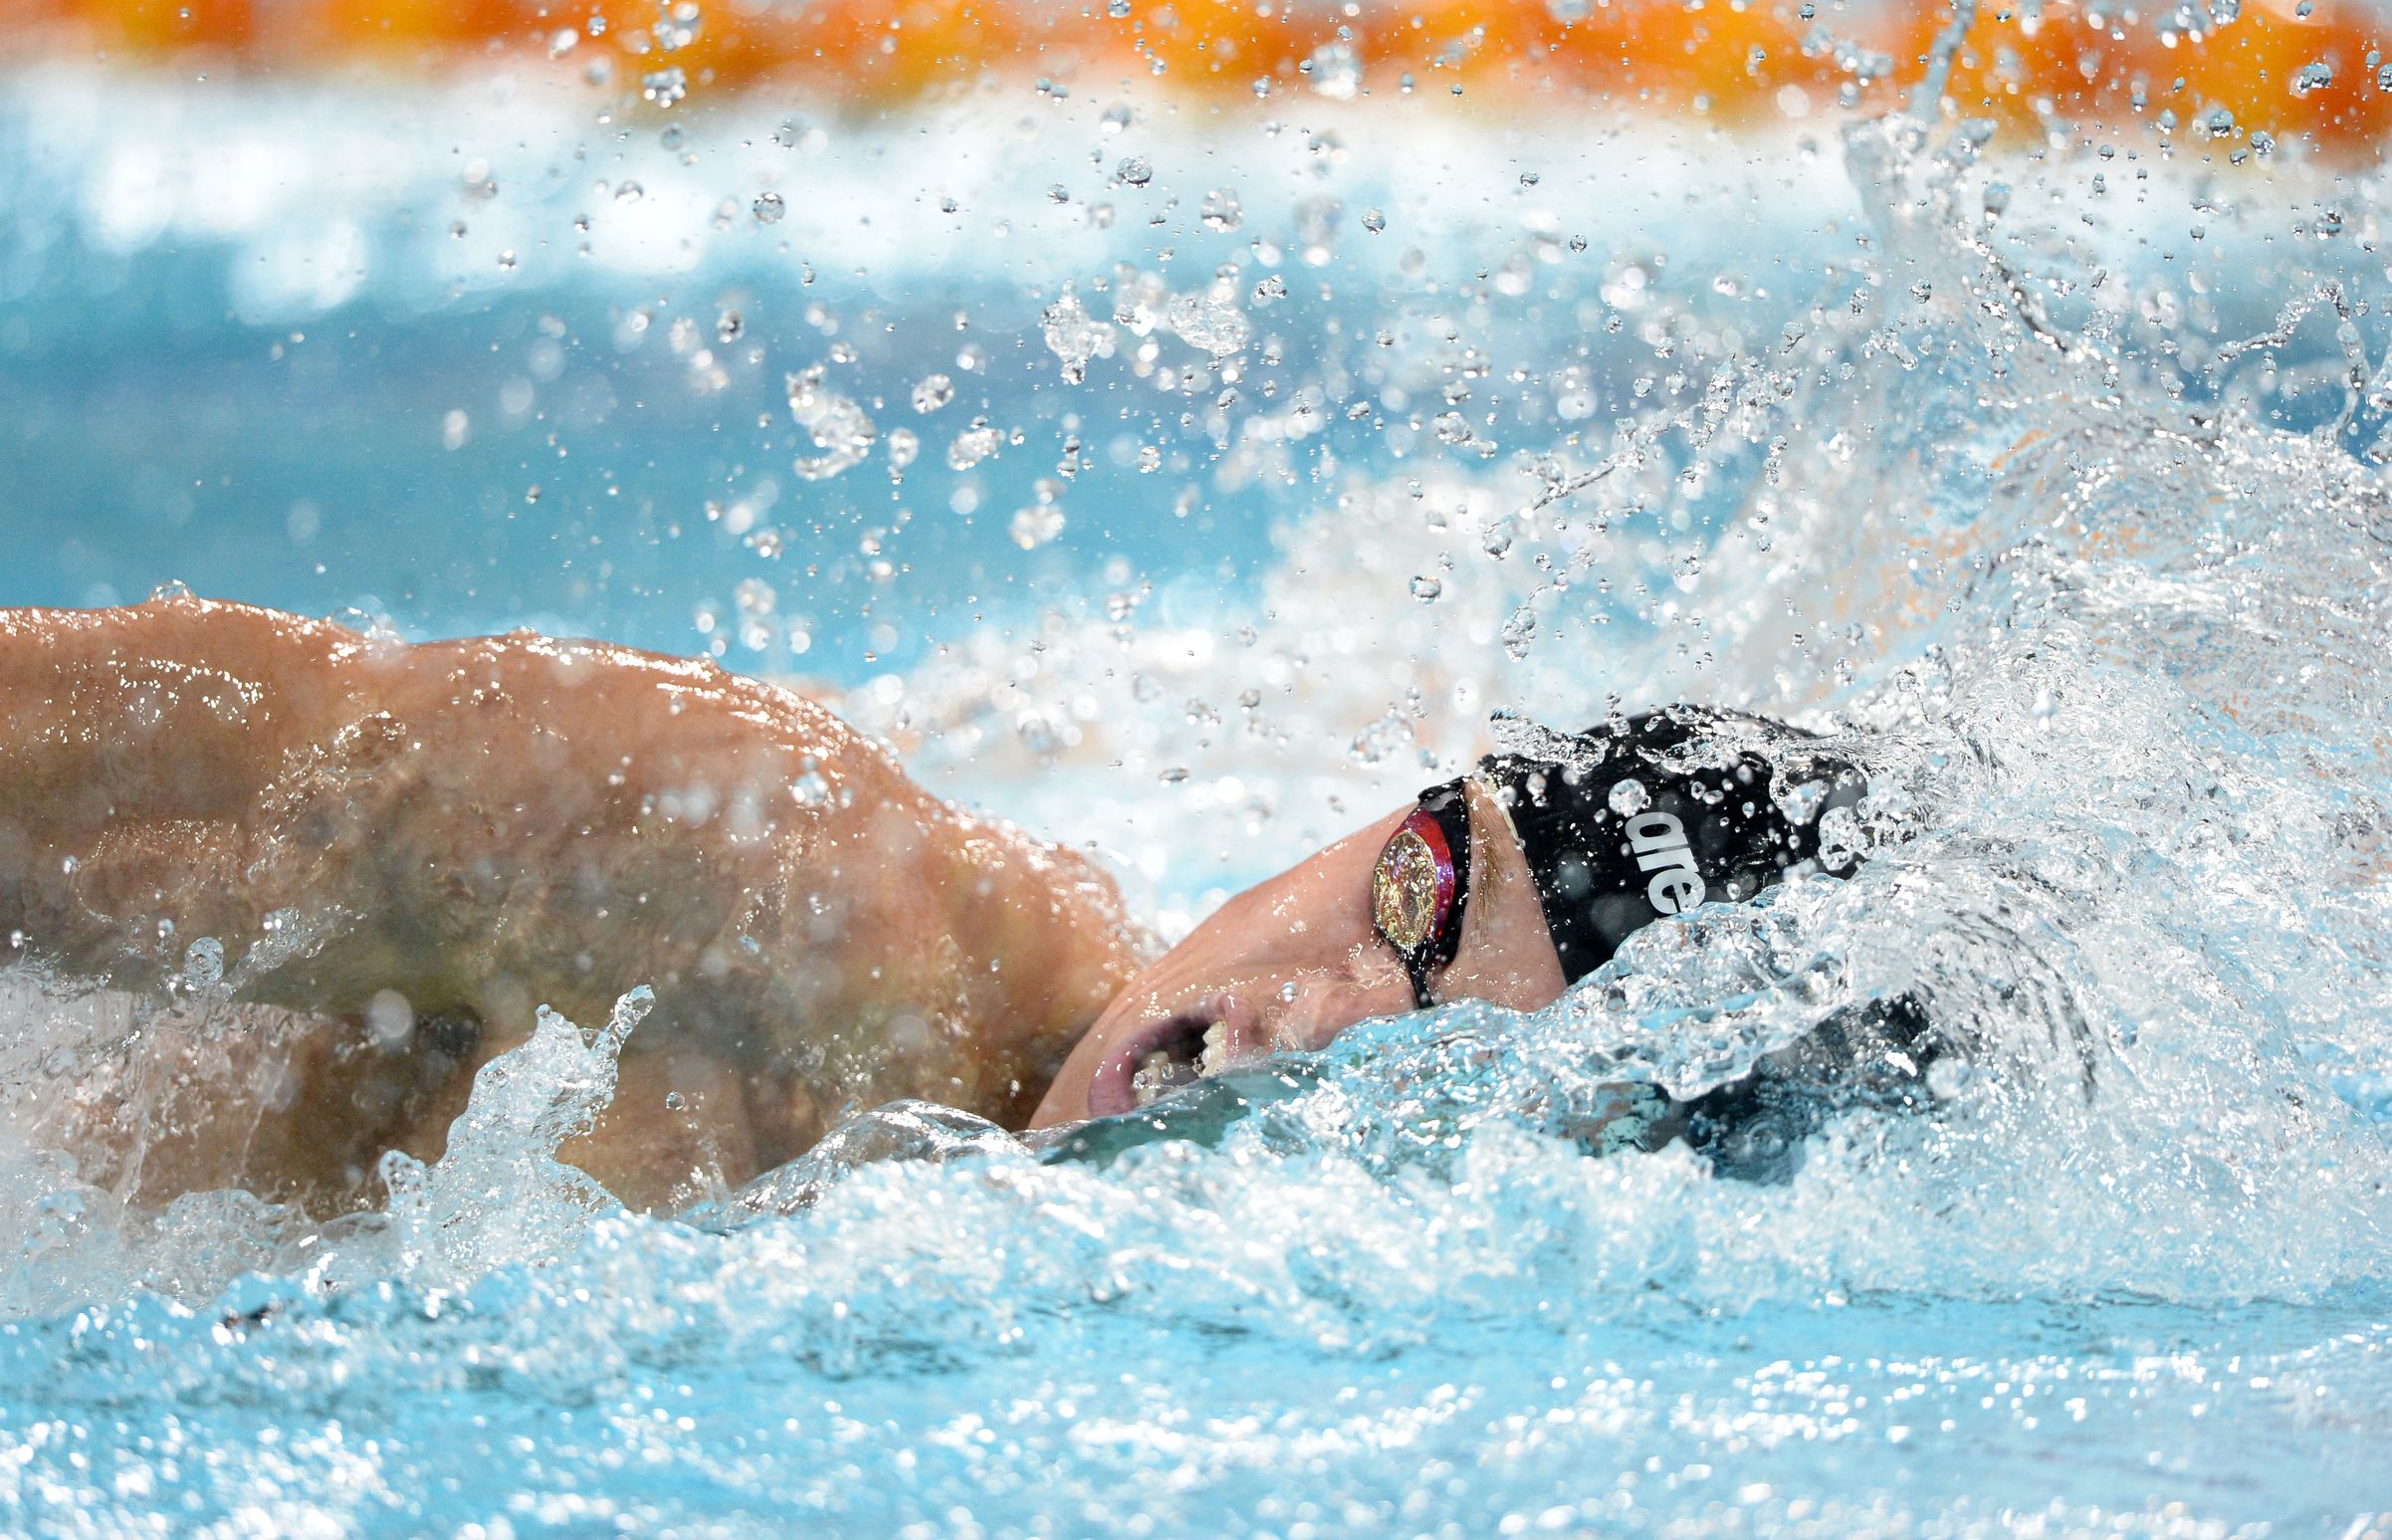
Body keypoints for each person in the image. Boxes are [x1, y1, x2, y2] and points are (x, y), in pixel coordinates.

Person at [0, 595, 1931, 1213]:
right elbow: (153, 774)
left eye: (1443, 1048)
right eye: (1408, 893)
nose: (1302, 1016)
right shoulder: (793, 890)